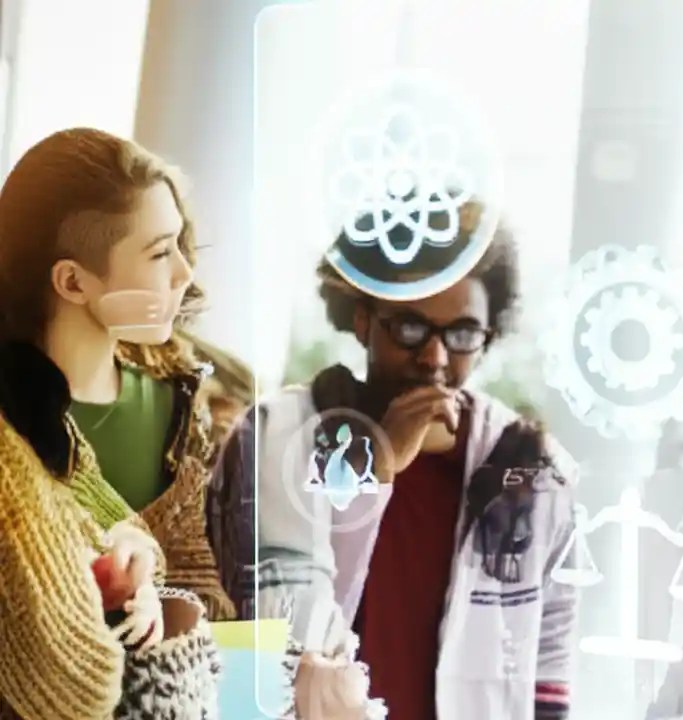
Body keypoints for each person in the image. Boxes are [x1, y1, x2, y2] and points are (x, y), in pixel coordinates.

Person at [226, 200, 579, 719]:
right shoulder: (283, 435)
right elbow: (256, 626)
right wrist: (378, 465)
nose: (434, 358)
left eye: (461, 335)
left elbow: (550, 651)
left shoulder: (527, 466)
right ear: (364, 319)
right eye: (410, 328)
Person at [0, 128, 225, 717]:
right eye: (158, 253)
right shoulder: (15, 440)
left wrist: (141, 578)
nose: (184, 273)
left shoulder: (177, 412)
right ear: (73, 281)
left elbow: (204, 594)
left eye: (179, 245)